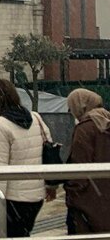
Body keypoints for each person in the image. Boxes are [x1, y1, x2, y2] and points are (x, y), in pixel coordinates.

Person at [0, 78, 55, 238]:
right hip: (36, 197)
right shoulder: (35, 117)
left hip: (13, 199)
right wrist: (51, 184)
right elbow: (49, 151)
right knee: (23, 234)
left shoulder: (0, 125)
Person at [64, 88, 110, 233]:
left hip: (89, 203)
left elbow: (79, 169)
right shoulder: (106, 122)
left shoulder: (84, 129)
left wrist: (71, 193)